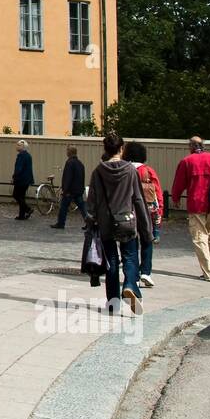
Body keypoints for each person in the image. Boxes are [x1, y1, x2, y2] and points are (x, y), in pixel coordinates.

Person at [86, 132, 152, 315]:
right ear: (121, 149)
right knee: (130, 257)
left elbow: (91, 201)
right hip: (127, 221)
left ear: (105, 149)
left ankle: (113, 303)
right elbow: (138, 199)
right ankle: (130, 285)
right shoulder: (130, 170)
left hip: (106, 223)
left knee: (111, 262)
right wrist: (146, 230)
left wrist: (90, 223)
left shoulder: (98, 172)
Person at [170, 136, 210, 281]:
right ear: (203, 145)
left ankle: (209, 272)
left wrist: (175, 198)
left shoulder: (187, 161)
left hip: (196, 204)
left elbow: (179, 183)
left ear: (190, 147)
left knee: (200, 238)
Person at [124, 140, 163, 287]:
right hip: (147, 211)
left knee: (131, 242)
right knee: (147, 240)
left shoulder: (124, 169)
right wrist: (159, 213)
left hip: (128, 211)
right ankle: (145, 272)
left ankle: (132, 274)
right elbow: (158, 193)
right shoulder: (148, 171)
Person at [51, 145, 87, 229]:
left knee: (63, 207)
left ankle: (61, 223)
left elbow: (68, 177)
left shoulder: (69, 163)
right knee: (82, 207)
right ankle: (89, 223)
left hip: (70, 191)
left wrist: (65, 190)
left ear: (69, 152)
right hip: (78, 190)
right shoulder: (80, 163)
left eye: (67, 151)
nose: (66, 152)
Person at [12, 140, 35, 220]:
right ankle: (21, 215)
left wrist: (14, 177)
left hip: (21, 180)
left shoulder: (21, 156)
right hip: (27, 180)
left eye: (19, 145)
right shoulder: (28, 155)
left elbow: (19, 168)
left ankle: (28, 209)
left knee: (16, 195)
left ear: (23, 147)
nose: (17, 146)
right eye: (17, 144)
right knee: (22, 197)